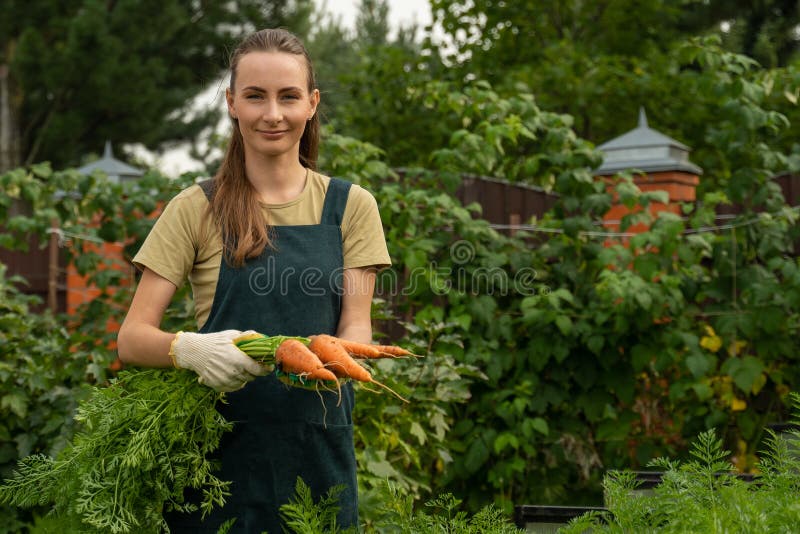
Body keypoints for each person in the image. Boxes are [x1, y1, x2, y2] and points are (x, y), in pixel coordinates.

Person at [117, 27, 391, 533]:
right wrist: (190, 349)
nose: (273, 114)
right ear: (231, 104)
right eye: (255, 96)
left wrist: (330, 356)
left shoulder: (351, 206)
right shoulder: (195, 208)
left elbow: (357, 325)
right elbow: (131, 339)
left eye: (288, 97)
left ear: (311, 104)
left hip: (318, 450)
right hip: (215, 460)